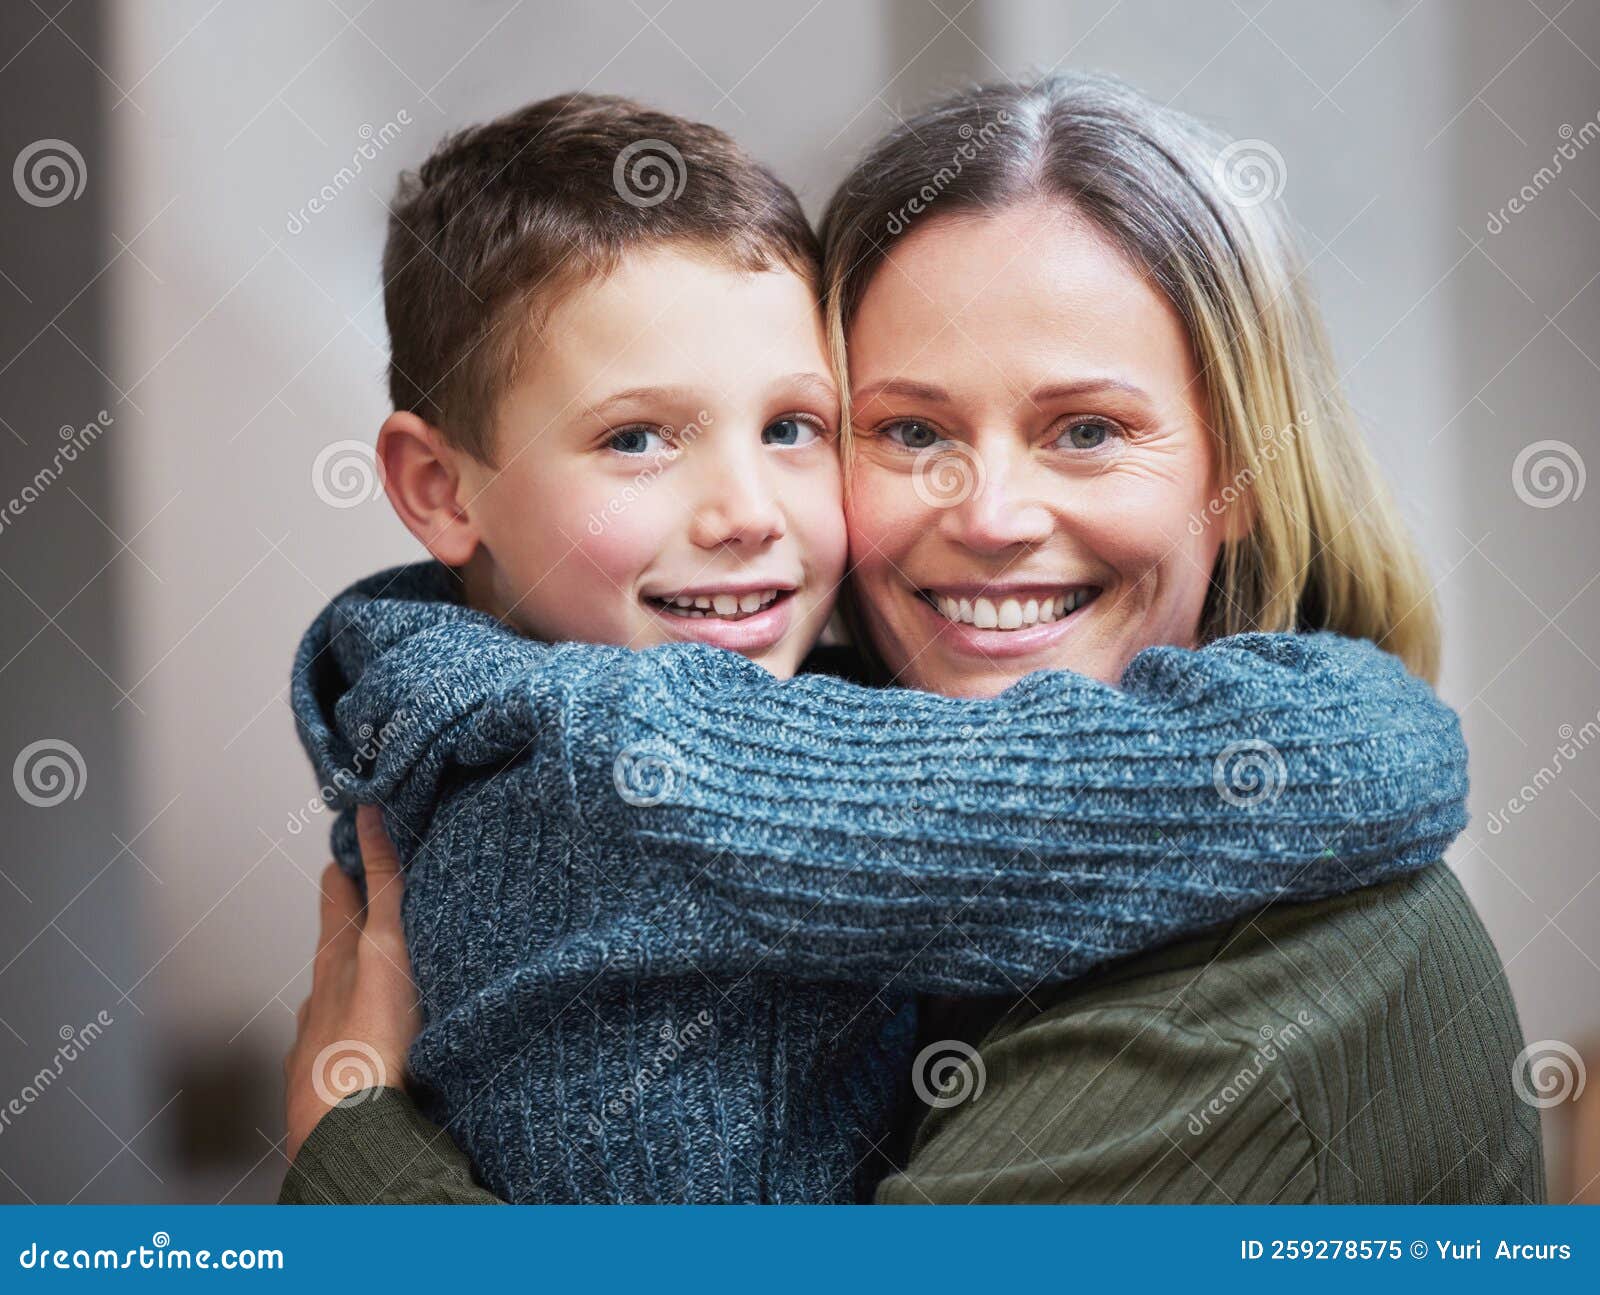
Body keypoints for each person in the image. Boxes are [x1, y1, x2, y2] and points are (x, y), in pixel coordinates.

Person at [279, 75, 1532, 1205]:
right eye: (910, 431)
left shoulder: (1259, 1002)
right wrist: (1368, 720)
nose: (988, 519)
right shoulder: (618, 742)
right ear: (442, 488)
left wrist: (349, 1148)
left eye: (1087, 427)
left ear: (1244, 465)